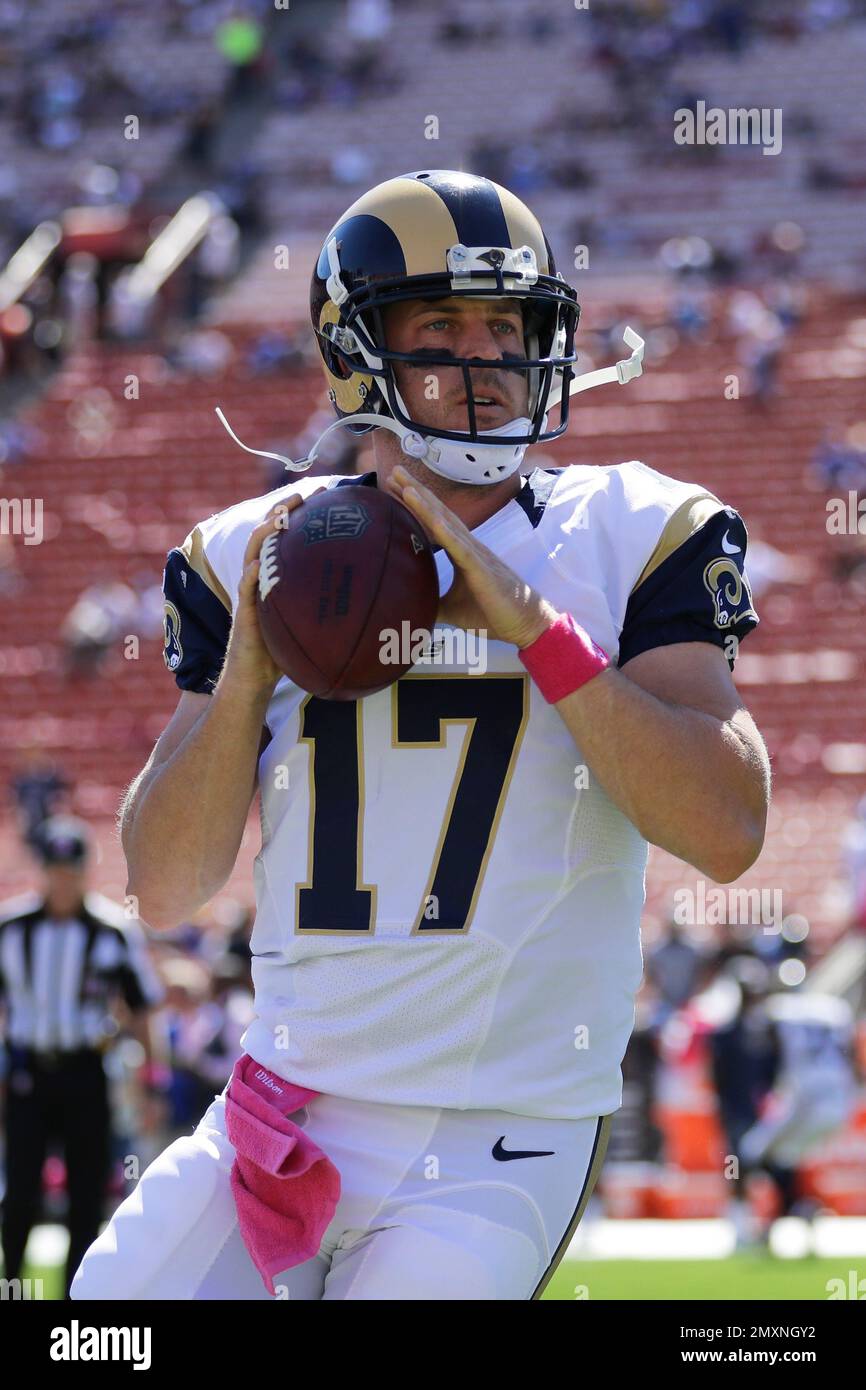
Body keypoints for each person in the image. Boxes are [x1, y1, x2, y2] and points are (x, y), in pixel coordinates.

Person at [72, 170, 769, 1301]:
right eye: (440, 323)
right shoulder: (257, 551)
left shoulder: (633, 533)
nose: (486, 357)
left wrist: (529, 622)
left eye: (507, 324)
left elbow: (726, 828)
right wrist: (250, 662)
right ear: (357, 350)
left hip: (505, 1125)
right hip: (287, 1103)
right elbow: (164, 885)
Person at [0, 817, 163, 1297]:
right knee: (22, 1189)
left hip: (86, 1072)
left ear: (85, 870)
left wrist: (151, 1083)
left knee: (86, 1192)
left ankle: (76, 1295)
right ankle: (12, 1287)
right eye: (56, 869)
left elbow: (141, 1011)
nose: (64, 880)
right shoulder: (11, 929)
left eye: (72, 870)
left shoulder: (112, 930)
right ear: (43, 870)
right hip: (29, 1069)